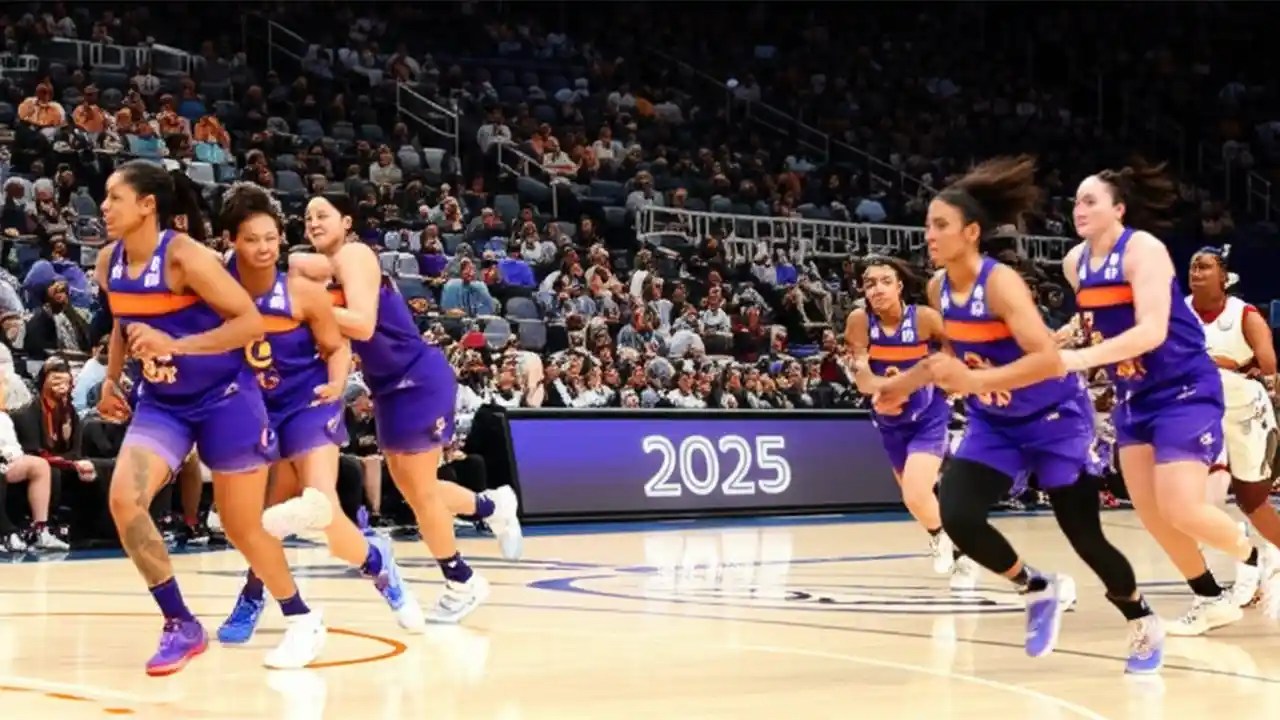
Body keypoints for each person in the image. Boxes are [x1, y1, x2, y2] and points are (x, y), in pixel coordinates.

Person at [878, 155, 1162, 673]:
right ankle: (1035, 585)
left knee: (1085, 538)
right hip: (996, 424)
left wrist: (976, 382)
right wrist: (905, 381)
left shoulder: (1001, 282)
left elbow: (1049, 358)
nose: (930, 237)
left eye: (940, 226)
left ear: (971, 232)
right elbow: (959, 358)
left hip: (1055, 418)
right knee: (959, 516)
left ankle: (1140, 618)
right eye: (927, 227)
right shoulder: (939, 289)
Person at [95, 161, 324, 675]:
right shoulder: (108, 261)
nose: (104, 207)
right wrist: (112, 379)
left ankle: (302, 617)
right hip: (163, 404)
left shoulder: (184, 257)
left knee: (243, 527)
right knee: (124, 501)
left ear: (147, 205)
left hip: (226, 398)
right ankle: (181, 623)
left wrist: (176, 344)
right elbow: (122, 321)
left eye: (114, 197)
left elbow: (247, 322)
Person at [280, 192, 521, 623]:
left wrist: (309, 308)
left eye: (323, 215)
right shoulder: (327, 269)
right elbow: (299, 268)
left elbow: (362, 323)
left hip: (416, 379)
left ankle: (462, 580)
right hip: (388, 387)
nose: (313, 222)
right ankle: (491, 507)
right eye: (307, 216)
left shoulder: (355, 254)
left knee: (421, 492)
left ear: (347, 220)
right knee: (415, 488)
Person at [214, 182, 426, 641]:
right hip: (259, 408)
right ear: (232, 241)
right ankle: (262, 592)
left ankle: (381, 572)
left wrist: (335, 382)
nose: (266, 248)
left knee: (321, 504)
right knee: (266, 518)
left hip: (310, 398)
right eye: (253, 239)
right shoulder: (216, 284)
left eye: (272, 237)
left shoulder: (301, 285)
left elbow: (337, 345)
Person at [1061, 160, 1252, 637]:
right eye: (1076, 201)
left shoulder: (1143, 249)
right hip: (1134, 395)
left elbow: (1151, 330)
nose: (1079, 208)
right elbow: (1095, 324)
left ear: (1118, 209)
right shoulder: (1073, 262)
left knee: (1182, 507)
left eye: (1090, 200)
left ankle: (1256, 555)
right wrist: (1060, 341)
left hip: (1183, 386)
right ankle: (1211, 598)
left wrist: (1079, 362)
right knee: (1150, 512)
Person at [845, 256, 960, 581]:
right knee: (914, 502)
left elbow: (954, 349)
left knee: (915, 491)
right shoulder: (859, 321)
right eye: (869, 283)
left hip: (928, 413)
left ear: (899, 286)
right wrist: (892, 387)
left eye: (885, 281)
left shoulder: (924, 319)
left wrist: (930, 377)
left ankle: (954, 547)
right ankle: (947, 540)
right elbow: (863, 380)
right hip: (888, 418)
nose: (877, 288)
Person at [1185, 246, 1280, 606]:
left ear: (1224, 276)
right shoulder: (1178, 311)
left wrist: (1226, 364)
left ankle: (1263, 559)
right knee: (1197, 498)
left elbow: (1267, 365)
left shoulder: (1245, 314)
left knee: (1252, 499)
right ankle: (1242, 568)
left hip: (1243, 408)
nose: (1197, 271)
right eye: (1194, 265)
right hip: (1197, 409)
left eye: (1206, 266)